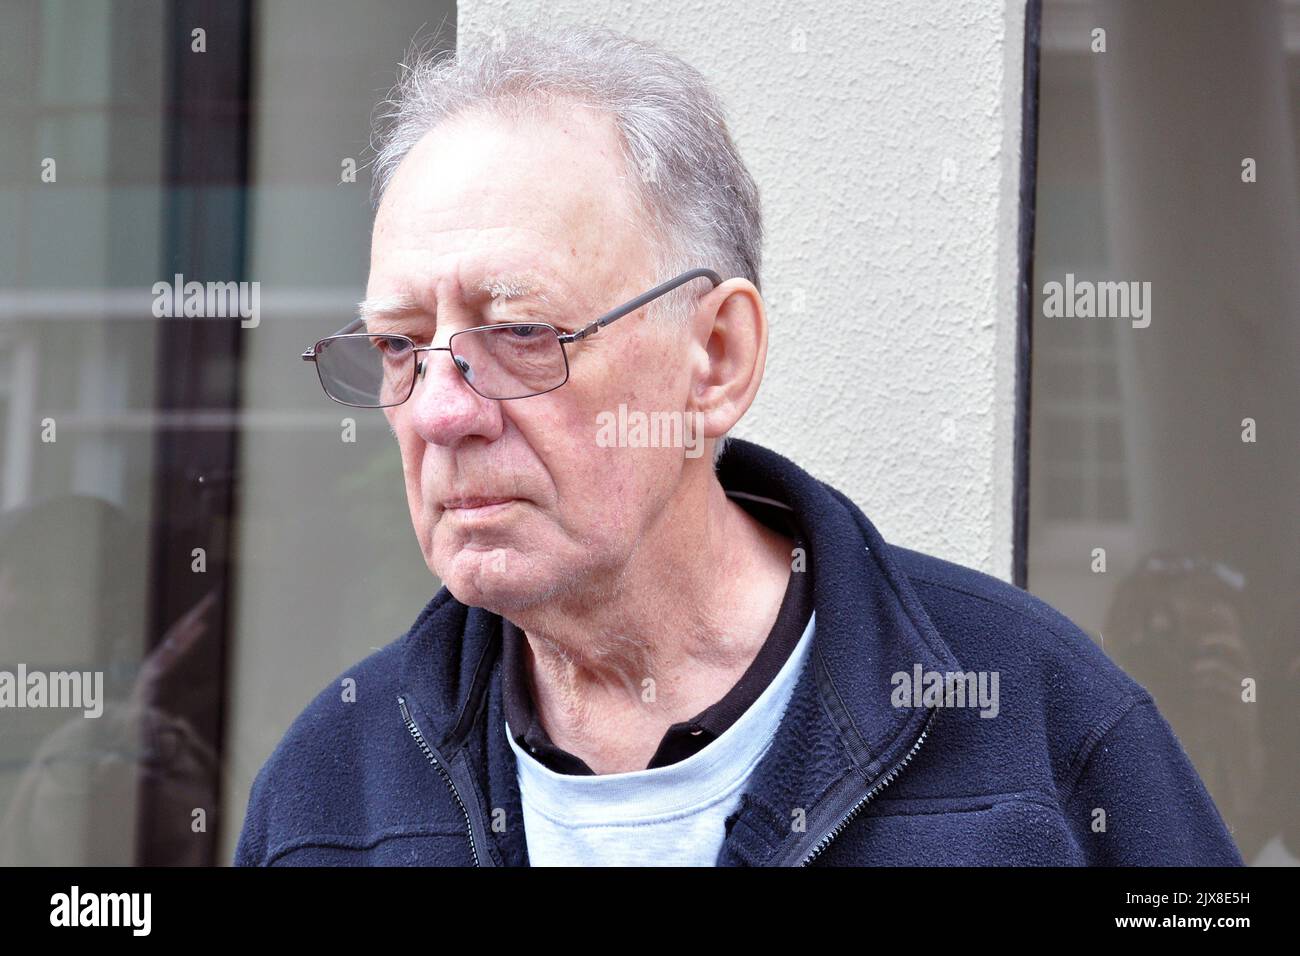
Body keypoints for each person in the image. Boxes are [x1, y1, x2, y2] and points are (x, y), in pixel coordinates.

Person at [234, 26, 1242, 866]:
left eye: (522, 333)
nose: (440, 412)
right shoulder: (333, 792)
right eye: (404, 347)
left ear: (714, 357)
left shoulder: (1035, 726)